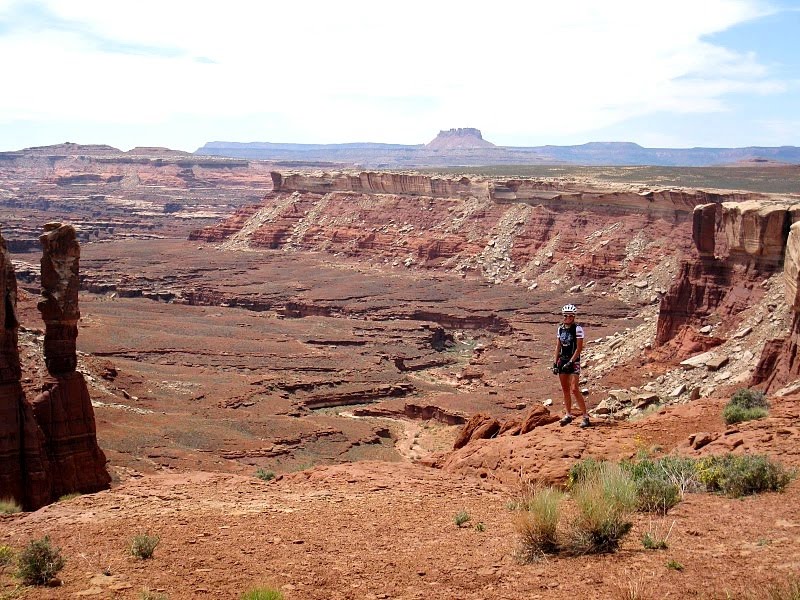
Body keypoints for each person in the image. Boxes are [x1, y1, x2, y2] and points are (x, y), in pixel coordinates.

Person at [552, 304, 589, 428]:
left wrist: (571, 362)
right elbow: (558, 347)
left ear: (573, 317)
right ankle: (568, 415)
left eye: (569, 316)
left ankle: (585, 416)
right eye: (565, 315)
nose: (567, 318)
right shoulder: (560, 328)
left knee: (574, 388)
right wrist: (554, 363)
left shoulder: (577, 329)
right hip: (562, 360)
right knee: (565, 389)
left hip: (574, 362)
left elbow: (579, 348)